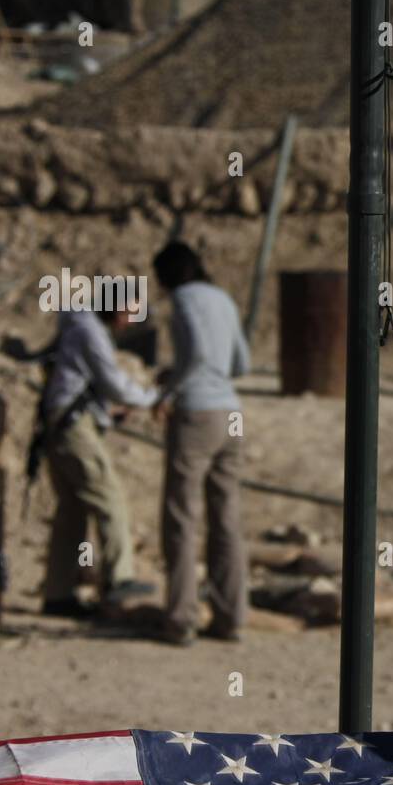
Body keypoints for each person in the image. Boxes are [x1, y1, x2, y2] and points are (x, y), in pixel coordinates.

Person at [151, 242, 250, 645]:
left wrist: (168, 389)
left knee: (181, 518)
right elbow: (240, 362)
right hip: (231, 413)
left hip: (196, 414)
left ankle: (181, 618)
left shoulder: (183, 301)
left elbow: (192, 355)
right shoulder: (222, 298)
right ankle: (231, 617)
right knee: (226, 517)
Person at [40, 302, 159, 617]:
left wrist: (108, 414)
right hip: (73, 427)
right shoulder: (89, 331)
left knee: (72, 511)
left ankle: (59, 594)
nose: (131, 321)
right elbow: (113, 383)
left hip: (65, 422)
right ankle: (118, 578)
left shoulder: (80, 326)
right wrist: (151, 397)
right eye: (129, 313)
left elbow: (84, 382)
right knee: (110, 499)